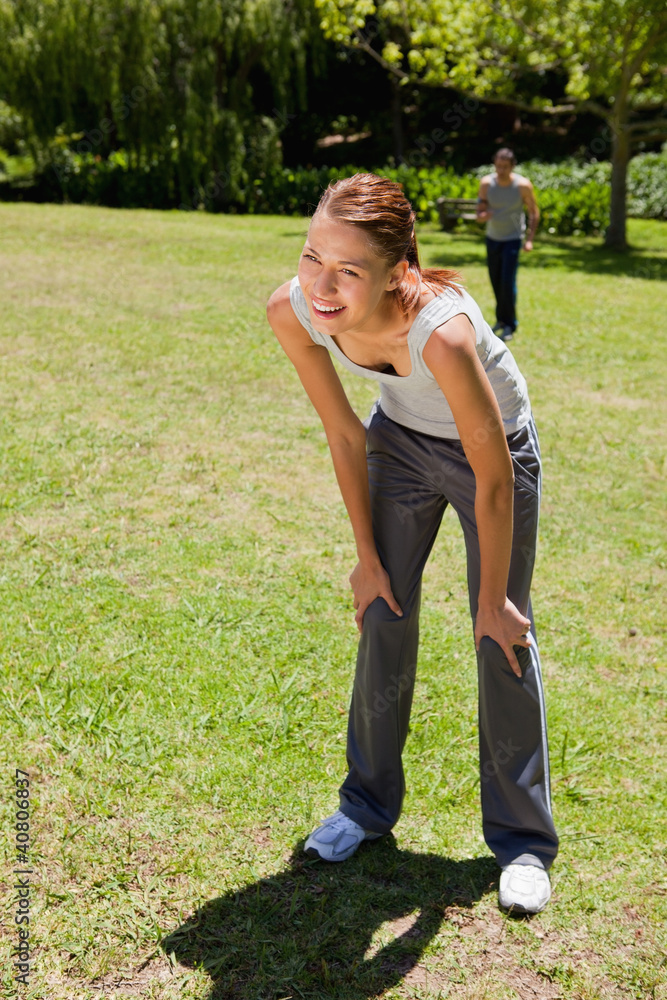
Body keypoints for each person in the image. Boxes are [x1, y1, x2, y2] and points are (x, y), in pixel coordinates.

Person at [266, 173, 558, 915]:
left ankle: (522, 842)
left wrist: (492, 599)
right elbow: (343, 431)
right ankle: (364, 807)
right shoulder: (293, 310)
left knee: (501, 633)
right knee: (382, 611)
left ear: (397, 270)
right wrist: (367, 559)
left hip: (490, 456)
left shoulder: (444, 333)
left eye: (348, 269)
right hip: (397, 443)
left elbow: (492, 479)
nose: (321, 284)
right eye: (311, 257)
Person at [476, 148, 539, 343]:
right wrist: (483, 216)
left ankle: (510, 324)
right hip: (493, 238)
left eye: (505, 166)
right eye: (498, 166)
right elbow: (480, 211)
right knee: (495, 281)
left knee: (507, 281)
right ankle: (501, 321)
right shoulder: (487, 184)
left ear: (512, 166)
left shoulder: (522, 186)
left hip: (513, 238)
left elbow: (534, 212)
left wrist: (529, 239)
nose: (501, 170)